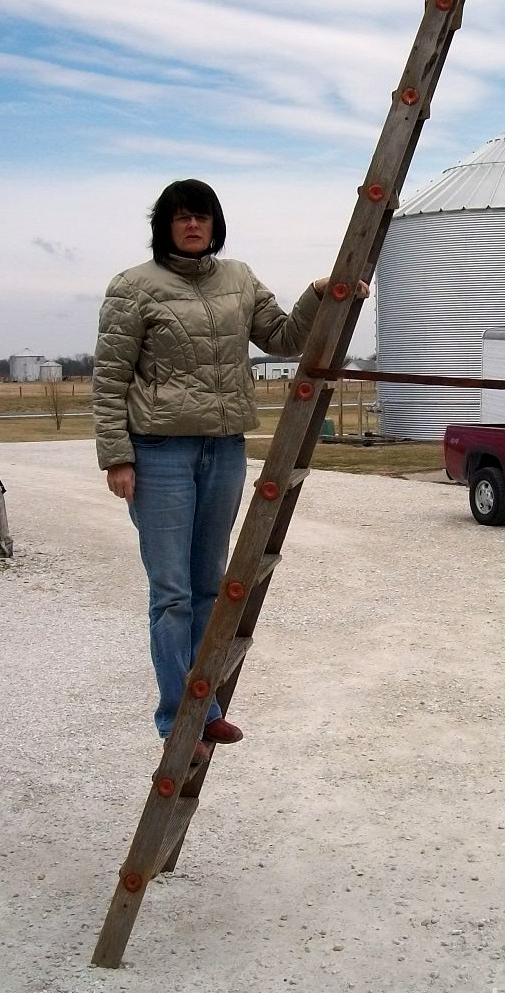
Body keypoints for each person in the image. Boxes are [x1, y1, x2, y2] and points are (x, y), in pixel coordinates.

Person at [93, 178, 356, 763]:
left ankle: (204, 711)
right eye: (181, 218)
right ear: (164, 226)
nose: (192, 226)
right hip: (160, 453)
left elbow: (285, 338)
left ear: (215, 225)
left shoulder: (238, 278)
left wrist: (319, 292)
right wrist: (116, 456)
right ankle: (174, 718)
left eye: (202, 217)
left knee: (210, 586)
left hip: (224, 451)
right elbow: (109, 379)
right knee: (172, 593)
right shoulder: (133, 287)